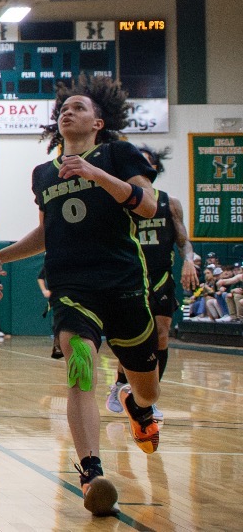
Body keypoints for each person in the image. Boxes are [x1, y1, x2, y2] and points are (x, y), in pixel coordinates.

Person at [0, 74, 162, 516]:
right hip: (71, 286)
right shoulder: (44, 173)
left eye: (78, 107)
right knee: (80, 363)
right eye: (63, 108)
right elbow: (47, 232)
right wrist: (1, 256)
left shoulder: (118, 154)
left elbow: (149, 204)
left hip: (121, 281)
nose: (67, 111)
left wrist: (96, 173)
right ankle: (90, 472)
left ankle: (135, 407)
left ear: (98, 122)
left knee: (148, 390)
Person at [107, 146, 195, 415]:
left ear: (151, 169)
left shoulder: (171, 203)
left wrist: (189, 259)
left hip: (160, 277)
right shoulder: (121, 200)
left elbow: (183, 241)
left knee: (161, 336)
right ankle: (121, 384)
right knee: (133, 338)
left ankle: (147, 396)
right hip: (130, 277)